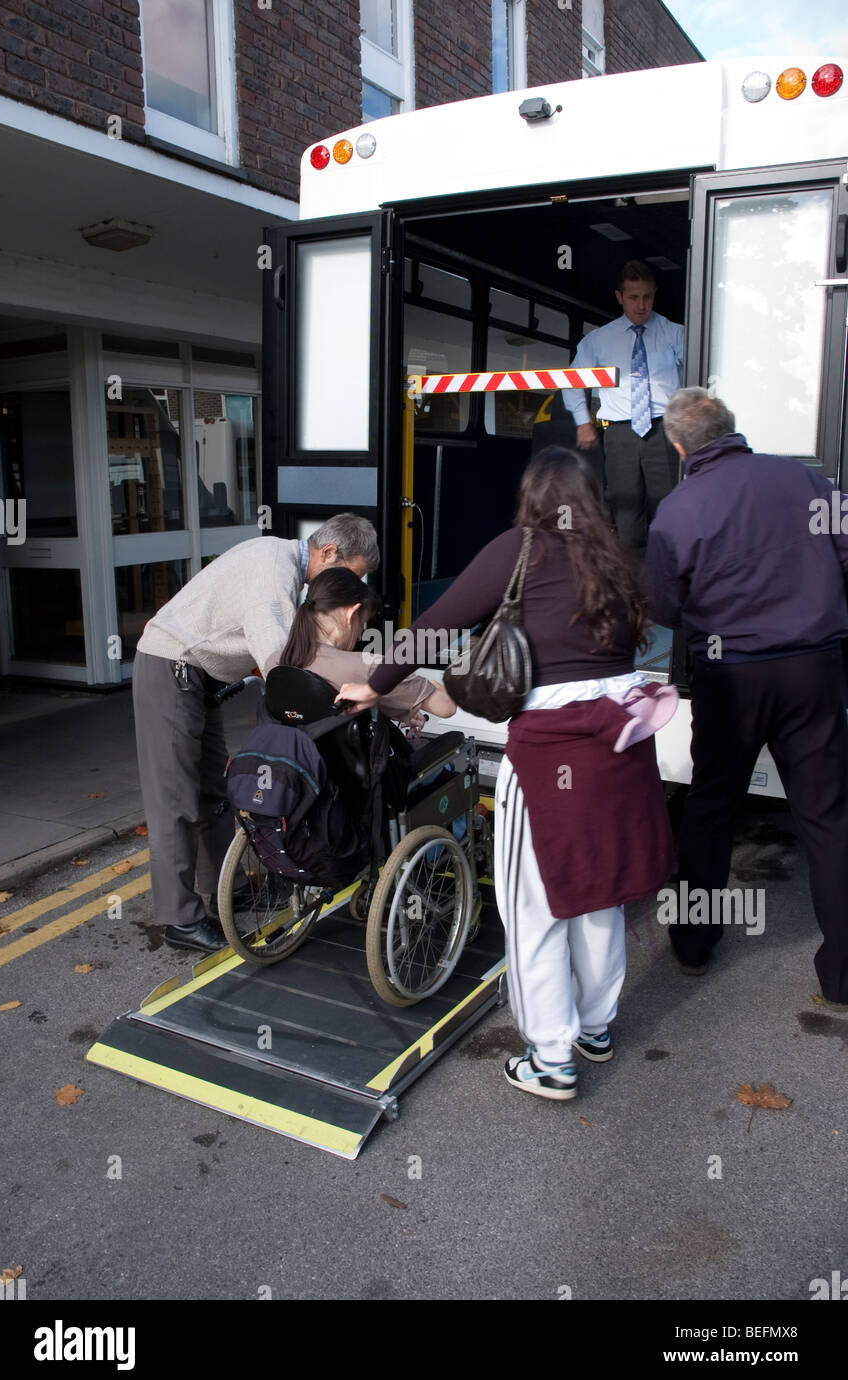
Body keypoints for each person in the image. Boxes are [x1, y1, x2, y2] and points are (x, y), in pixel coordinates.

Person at [339, 448, 676, 1101]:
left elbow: (435, 625)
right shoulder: (618, 557)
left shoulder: (521, 548)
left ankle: (551, 1057)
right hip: (621, 751)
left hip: (553, 758)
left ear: (533, 496)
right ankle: (596, 1028)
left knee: (536, 904)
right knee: (598, 892)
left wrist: (372, 684)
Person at [643, 388, 848, 1005]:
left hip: (729, 676)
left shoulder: (678, 511)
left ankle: (693, 946)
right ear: (733, 429)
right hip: (814, 669)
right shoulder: (807, 483)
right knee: (829, 818)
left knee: (711, 808)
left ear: (679, 447)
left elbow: (662, 606)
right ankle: (841, 976)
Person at [132, 514, 379, 954]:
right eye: (349, 574)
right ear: (328, 554)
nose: (347, 592)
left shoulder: (282, 564)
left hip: (197, 678)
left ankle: (226, 891)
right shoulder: (273, 573)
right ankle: (179, 920)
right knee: (175, 801)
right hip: (170, 670)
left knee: (212, 792)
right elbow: (281, 667)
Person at [561, 260, 684, 553]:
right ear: (619, 297)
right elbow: (573, 380)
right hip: (619, 435)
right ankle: (632, 588)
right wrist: (582, 421)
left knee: (668, 512)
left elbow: (699, 378)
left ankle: (666, 587)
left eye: (647, 297)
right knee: (626, 514)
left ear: (655, 293)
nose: (641, 305)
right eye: (633, 297)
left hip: (665, 432)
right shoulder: (598, 340)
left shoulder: (676, 334)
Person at [273, 566, 455, 727]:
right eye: (363, 623)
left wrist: (393, 706)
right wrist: (423, 680)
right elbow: (447, 706)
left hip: (303, 761)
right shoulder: (368, 667)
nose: (360, 635)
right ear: (351, 614)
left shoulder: (276, 661)